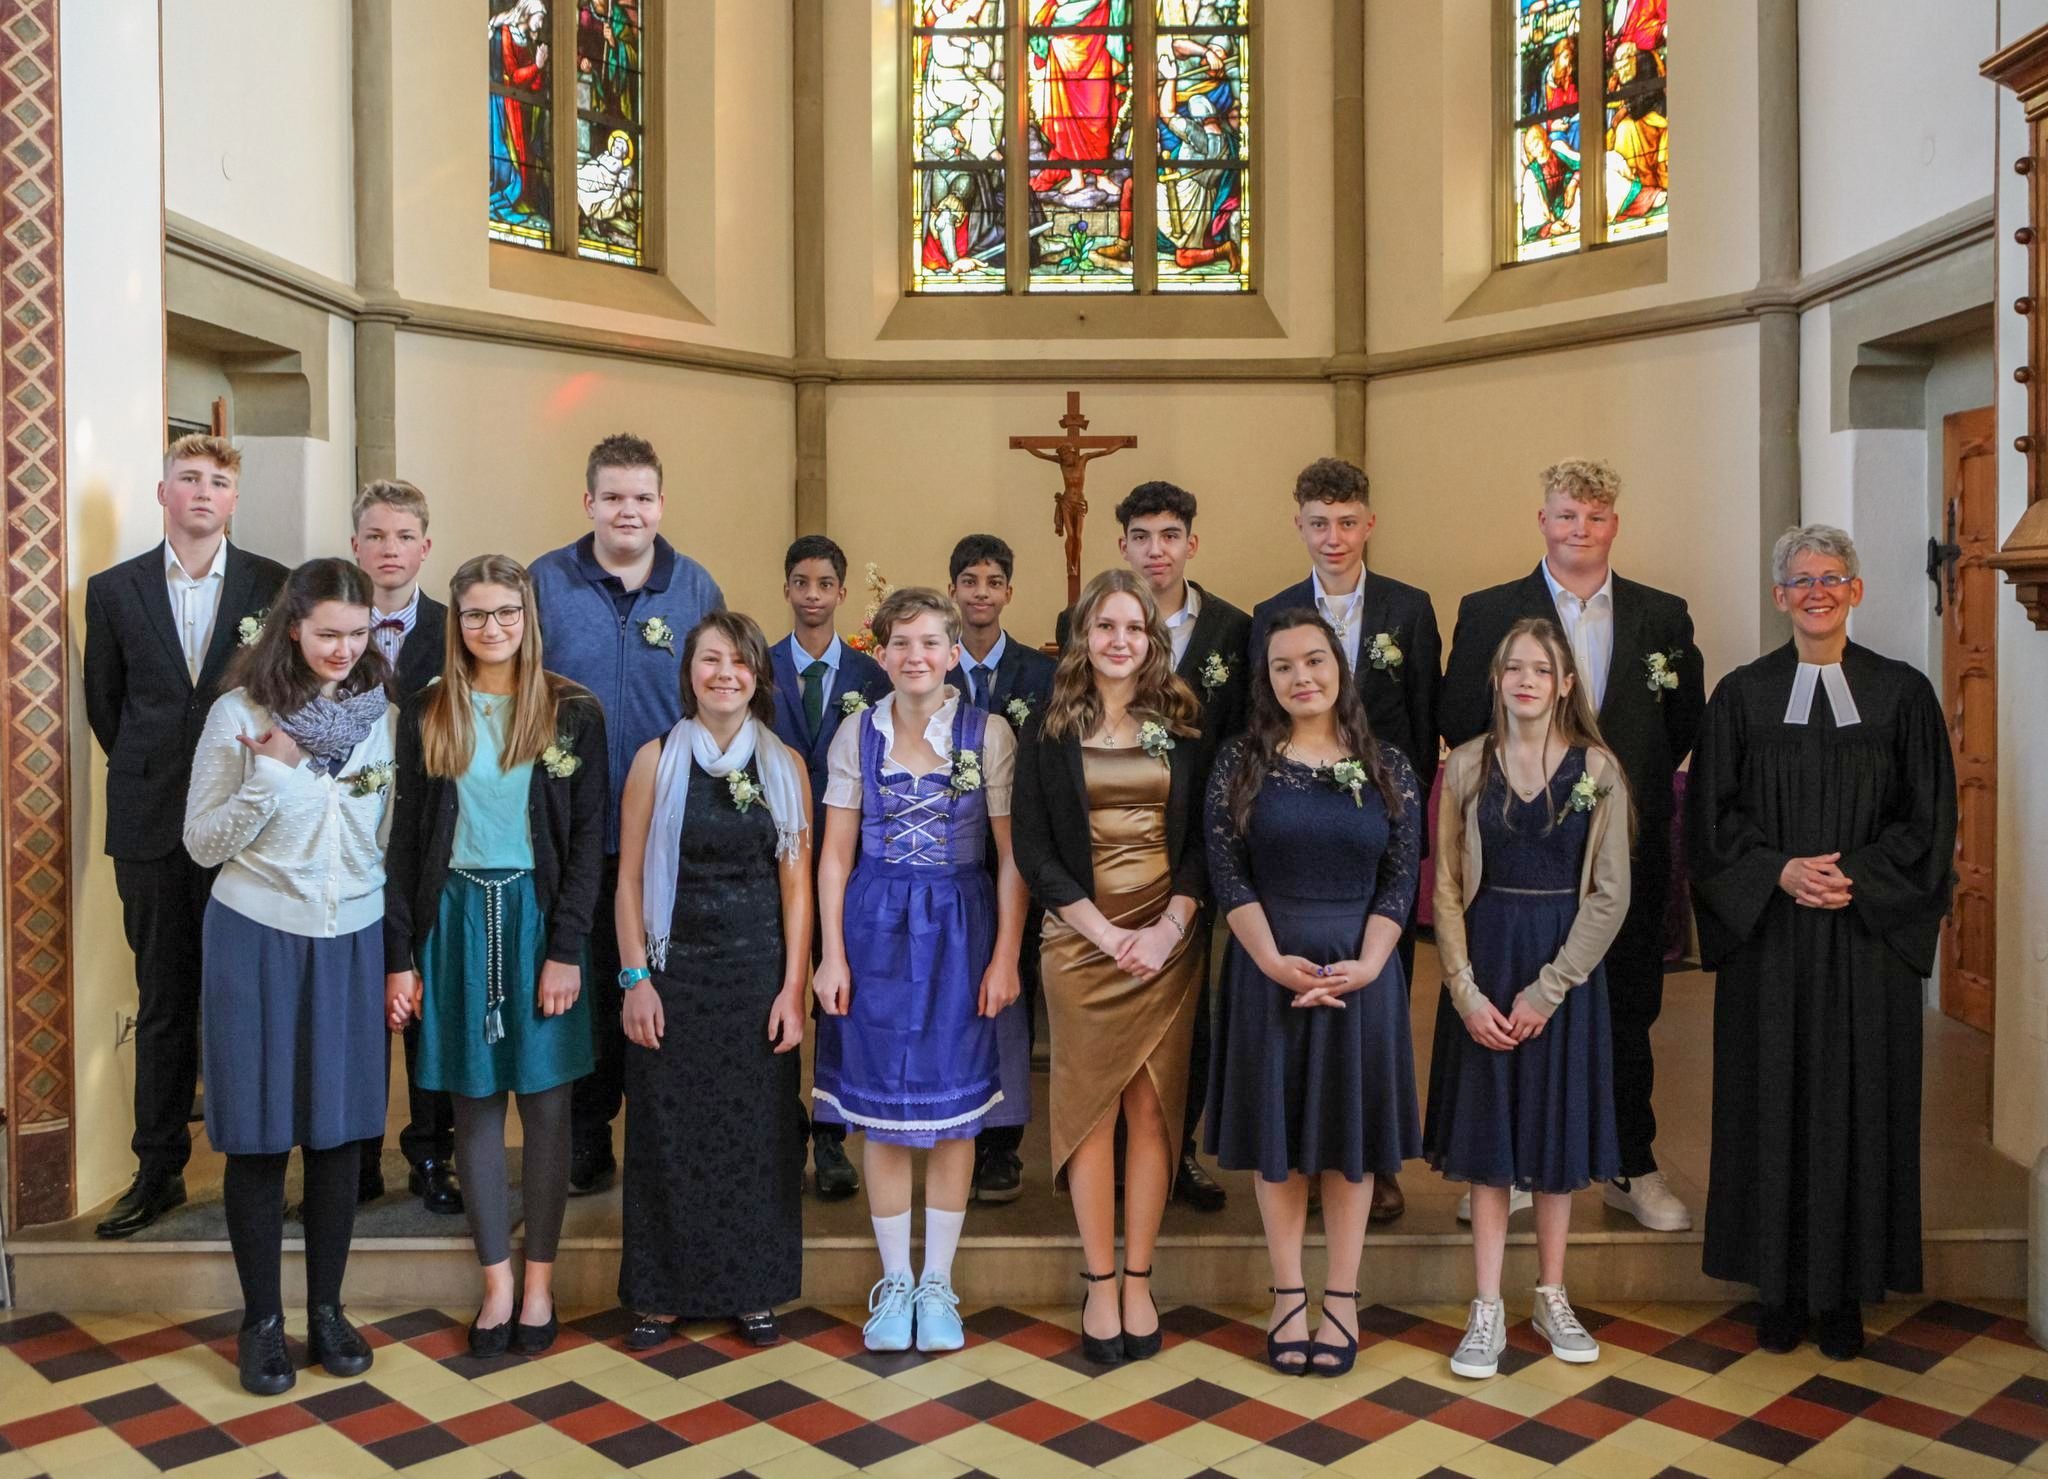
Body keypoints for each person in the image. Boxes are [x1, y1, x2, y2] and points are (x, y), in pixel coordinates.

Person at [1688, 525, 1956, 1362]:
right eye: (1801, 580)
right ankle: (1776, 1288)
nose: (1817, 592)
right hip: (1771, 942)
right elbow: (1710, 818)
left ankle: (1844, 1292)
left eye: (1832, 577)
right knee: (1769, 1101)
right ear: (1780, 596)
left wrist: (1857, 877)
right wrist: (1779, 871)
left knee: (1859, 1104)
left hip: (1864, 943)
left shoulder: (1902, 694)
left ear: (1856, 590)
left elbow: (1929, 817)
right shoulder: (1741, 696)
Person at [1441, 458, 1702, 1234]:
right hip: (1519, 852)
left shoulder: (1662, 615)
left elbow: (1679, 725)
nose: (1579, 529)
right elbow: (1460, 716)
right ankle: (1516, 1167)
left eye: (1594, 516)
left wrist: (1612, 791)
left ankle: (1630, 1163)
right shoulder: (1490, 610)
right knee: (1514, 1000)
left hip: (1624, 846)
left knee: (1627, 1008)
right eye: (1565, 514)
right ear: (1543, 520)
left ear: (1613, 523)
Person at [385, 555, 609, 1359]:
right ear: (457, 621)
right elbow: (404, 841)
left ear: (528, 617)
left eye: (507, 612)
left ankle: (540, 1281)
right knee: (474, 1106)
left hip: (540, 920)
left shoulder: (573, 711)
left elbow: (588, 841)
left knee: (547, 1109)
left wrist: (566, 948)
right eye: (476, 614)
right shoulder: (427, 709)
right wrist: (402, 953)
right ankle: (497, 1285)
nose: (492, 627)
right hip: (454, 918)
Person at [181, 558, 396, 1396]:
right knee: (263, 1133)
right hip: (258, 932)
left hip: (352, 934)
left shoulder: (378, 714)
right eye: (327, 632)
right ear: (292, 627)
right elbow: (201, 841)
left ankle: (329, 1310)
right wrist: (271, 775)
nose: (344, 649)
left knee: (339, 1135)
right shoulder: (240, 713)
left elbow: (383, 827)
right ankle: (262, 1322)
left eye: (358, 633)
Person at [83, 434, 289, 1239]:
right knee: (165, 999)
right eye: (189, 478)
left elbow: (287, 689)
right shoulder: (114, 589)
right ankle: (159, 1168)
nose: (204, 491)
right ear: (163, 491)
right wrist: (163, 773)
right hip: (153, 822)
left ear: (234, 499)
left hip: (248, 822)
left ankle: (254, 1167)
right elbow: (107, 705)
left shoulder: (273, 584)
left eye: (218, 481)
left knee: (247, 998)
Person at [1204, 610, 1420, 1376]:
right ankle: (1288, 1292)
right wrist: (1270, 959)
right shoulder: (1240, 762)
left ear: (1340, 666)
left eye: (1315, 660)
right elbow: (1226, 869)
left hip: (1363, 973)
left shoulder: (1388, 763)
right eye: (1284, 665)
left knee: (1349, 1145)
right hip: (1269, 968)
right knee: (1281, 1144)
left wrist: (1368, 962)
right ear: (1266, 679)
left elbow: (1401, 876)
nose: (1302, 676)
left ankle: (1345, 1297)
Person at [813, 588, 1027, 1353]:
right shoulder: (856, 733)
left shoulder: (987, 733)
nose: (916, 656)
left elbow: (1011, 858)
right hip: (875, 926)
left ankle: (938, 1279)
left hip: (960, 927)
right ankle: (895, 1280)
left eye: (931, 642)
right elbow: (834, 855)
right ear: (880, 653)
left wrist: (1006, 954)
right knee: (883, 1113)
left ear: (952, 652)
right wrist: (831, 953)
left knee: (952, 1113)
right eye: (901, 642)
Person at [1425, 620, 1630, 1381]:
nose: (1525, 680)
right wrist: (1465, 991)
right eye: (1513, 667)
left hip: (1560, 971)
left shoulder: (1597, 768)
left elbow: (1610, 894)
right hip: (1485, 960)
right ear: (1496, 679)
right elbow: (1446, 885)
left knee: (1553, 1138)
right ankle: (1485, 1306)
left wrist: (1549, 988)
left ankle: (1550, 1293)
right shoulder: (1466, 765)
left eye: (1541, 669)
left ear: (1566, 683)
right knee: (1489, 1145)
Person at [1014, 569, 1208, 1367]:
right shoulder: (1050, 728)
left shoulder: (1184, 722)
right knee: (1091, 1111)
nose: (1119, 640)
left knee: (1153, 1111)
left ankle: (1139, 1278)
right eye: (1105, 626)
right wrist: (1098, 930)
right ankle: (1098, 1280)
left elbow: (1203, 844)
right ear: (1082, 638)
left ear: (1151, 639)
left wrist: (1168, 928)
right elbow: (1032, 846)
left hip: (1166, 945)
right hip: (1080, 944)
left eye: (1133, 626)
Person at [531, 433, 723, 1196]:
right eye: (612, 496)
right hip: (569, 826)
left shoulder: (695, 586)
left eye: (642, 497)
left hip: (664, 828)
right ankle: (586, 1135)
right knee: (582, 990)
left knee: (657, 985)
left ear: (662, 504)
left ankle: (655, 1135)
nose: (628, 510)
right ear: (588, 502)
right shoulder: (546, 582)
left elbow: (719, 697)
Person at [616, 613, 813, 1349]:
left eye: (739, 661)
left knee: (757, 1135)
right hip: (672, 976)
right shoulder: (655, 759)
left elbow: (797, 890)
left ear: (758, 675)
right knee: (667, 1133)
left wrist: (793, 989)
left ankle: (751, 1286)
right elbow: (629, 880)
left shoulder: (785, 766)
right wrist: (635, 978)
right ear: (689, 672)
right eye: (710, 659)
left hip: (755, 979)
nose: (724, 673)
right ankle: (661, 1293)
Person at [1252, 456, 1439, 1225]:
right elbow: (1259, 720)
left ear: (1370, 523)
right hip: (1295, 834)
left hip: (1375, 834)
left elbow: (1422, 724)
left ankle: (1375, 1156)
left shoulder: (1409, 608)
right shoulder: (1272, 612)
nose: (1334, 536)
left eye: (1347, 521)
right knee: (1295, 1004)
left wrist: (1397, 825)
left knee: (1376, 997)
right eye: (1319, 522)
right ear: (1298, 524)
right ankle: (1298, 1144)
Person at [1058, 482, 1251, 1213]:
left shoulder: (1233, 627)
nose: (1156, 549)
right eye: (1141, 536)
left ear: (1191, 543)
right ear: (1123, 545)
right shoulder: (1080, 623)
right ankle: (1102, 1155)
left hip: (1194, 846)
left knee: (1187, 1022)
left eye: (1170, 535)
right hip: (1101, 858)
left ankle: (1179, 1147)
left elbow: (1241, 732)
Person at [348, 478, 459, 1216]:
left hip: (427, 836)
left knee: (424, 1000)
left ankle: (430, 1153)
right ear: (355, 545)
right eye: (376, 536)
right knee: (358, 1003)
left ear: (426, 547)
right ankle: (355, 1159)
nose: (390, 549)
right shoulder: (328, 623)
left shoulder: (455, 629)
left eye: (404, 537)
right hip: (347, 838)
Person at [769, 535, 887, 1202]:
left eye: (824, 584)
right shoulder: (759, 667)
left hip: (849, 859)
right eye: (801, 581)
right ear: (787, 587)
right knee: (778, 989)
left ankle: (832, 1136)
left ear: (843, 592)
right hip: (775, 859)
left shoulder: (871, 676)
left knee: (838, 997)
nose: (812, 594)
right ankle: (781, 1130)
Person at [947, 534, 1055, 1205]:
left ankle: (1003, 1144)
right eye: (970, 581)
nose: (981, 593)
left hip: (1021, 858)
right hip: (947, 862)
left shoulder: (1041, 674)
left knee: (1013, 994)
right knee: (955, 997)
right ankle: (954, 1123)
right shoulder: (931, 662)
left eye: (993, 582)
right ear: (953, 590)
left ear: (1009, 592)